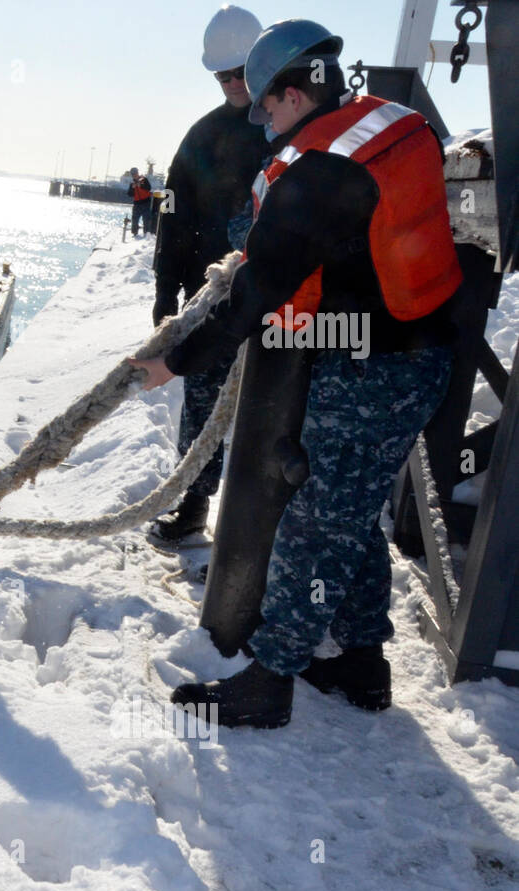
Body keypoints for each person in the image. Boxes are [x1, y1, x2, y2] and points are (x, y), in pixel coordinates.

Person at [130, 19, 462, 728]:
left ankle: (268, 679)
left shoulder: (311, 175)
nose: (264, 123)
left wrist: (172, 360)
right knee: (351, 507)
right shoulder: (397, 123)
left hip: (375, 371)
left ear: (290, 94)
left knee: (312, 524)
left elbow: (254, 298)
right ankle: (363, 661)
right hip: (425, 351)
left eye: (266, 106)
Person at [149, 4, 272, 543]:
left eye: (239, 72)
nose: (230, 83)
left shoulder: (292, 129)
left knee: (273, 411)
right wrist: (166, 291)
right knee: (201, 402)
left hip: (281, 300)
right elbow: (173, 217)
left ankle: (262, 525)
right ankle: (194, 504)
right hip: (213, 298)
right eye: (220, 74)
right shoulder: (203, 137)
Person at [127, 168, 154, 237]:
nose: (134, 175)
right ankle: (134, 233)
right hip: (137, 204)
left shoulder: (144, 180)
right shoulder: (132, 184)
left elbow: (149, 188)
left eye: (135, 174)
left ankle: (146, 234)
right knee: (135, 219)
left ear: (137, 173)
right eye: (133, 174)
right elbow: (130, 194)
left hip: (146, 203)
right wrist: (133, 188)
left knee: (146, 219)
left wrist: (140, 186)